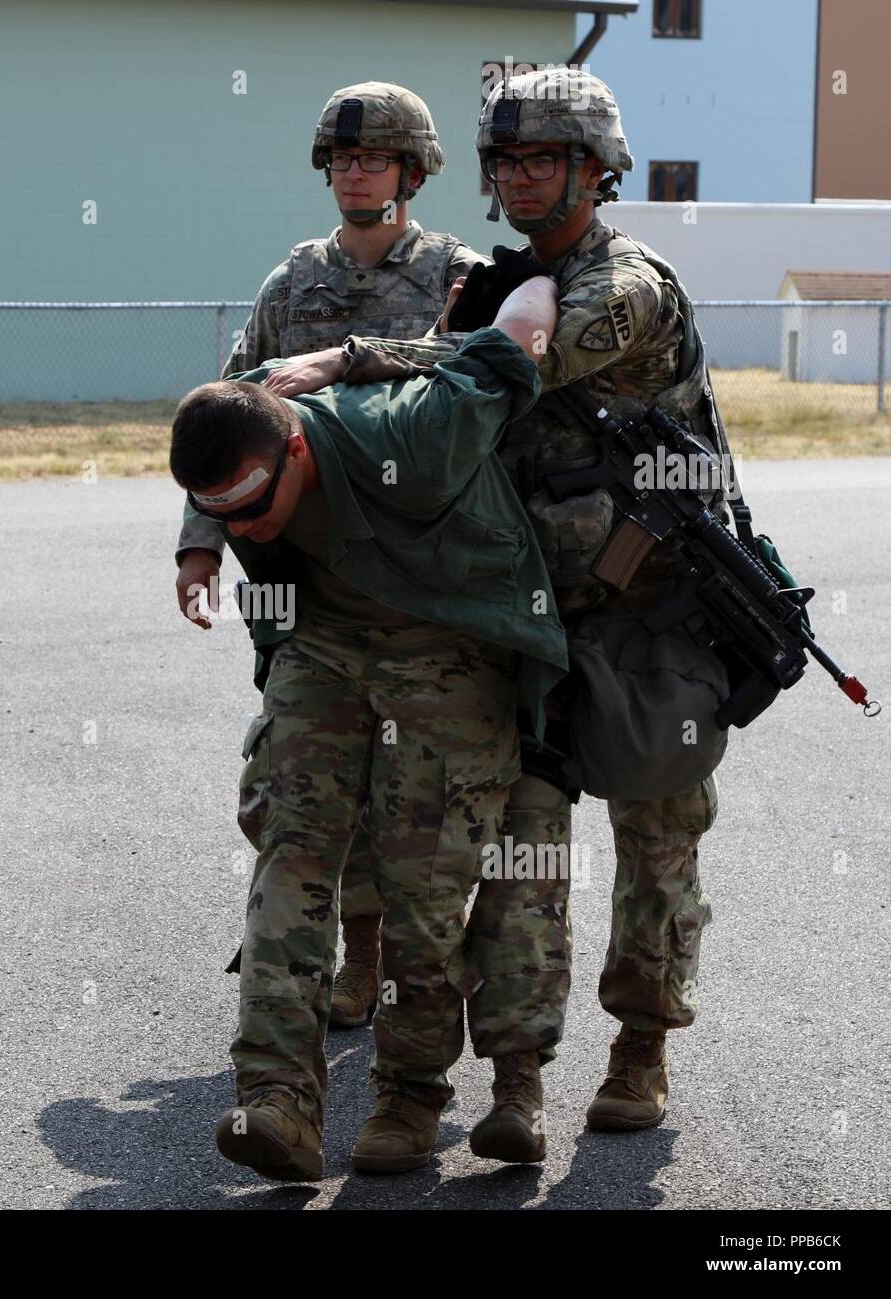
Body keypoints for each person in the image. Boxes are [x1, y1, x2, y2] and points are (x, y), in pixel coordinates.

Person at [263, 68, 731, 1151]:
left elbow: (502, 366)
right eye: (506, 163)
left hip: (653, 615)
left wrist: (345, 355)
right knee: (525, 849)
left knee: (657, 840)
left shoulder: (626, 283)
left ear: (595, 169)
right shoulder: (493, 279)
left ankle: (642, 1047)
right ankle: (518, 1082)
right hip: (528, 613)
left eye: (544, 161)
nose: (521, 180)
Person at [170, 277, 567, 1182]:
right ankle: (278, 1098)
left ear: (299, 446)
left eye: (251, 509)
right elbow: (223, 477)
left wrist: (533, 283)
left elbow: (511, 343)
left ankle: (410, 1093)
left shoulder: (413, 431)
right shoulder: (252, 427)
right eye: (220, 514)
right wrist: (201, 543)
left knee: (422, 882)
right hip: (326, 639)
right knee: (290, 849)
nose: (242, 528)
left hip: (450, 636)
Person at [175, 82, 488, 1031]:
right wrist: (199, 546)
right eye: (342, 160)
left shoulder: (459, 276)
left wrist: (351, 359)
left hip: (419, 573)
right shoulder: (292, 283)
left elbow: (480, 375)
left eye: (374, 159)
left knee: (419, 788)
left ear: (414, 169)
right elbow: (232, 416)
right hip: (296, 572)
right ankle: (354, 958)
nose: (354, 173)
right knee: (306, 773)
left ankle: (423, 964)